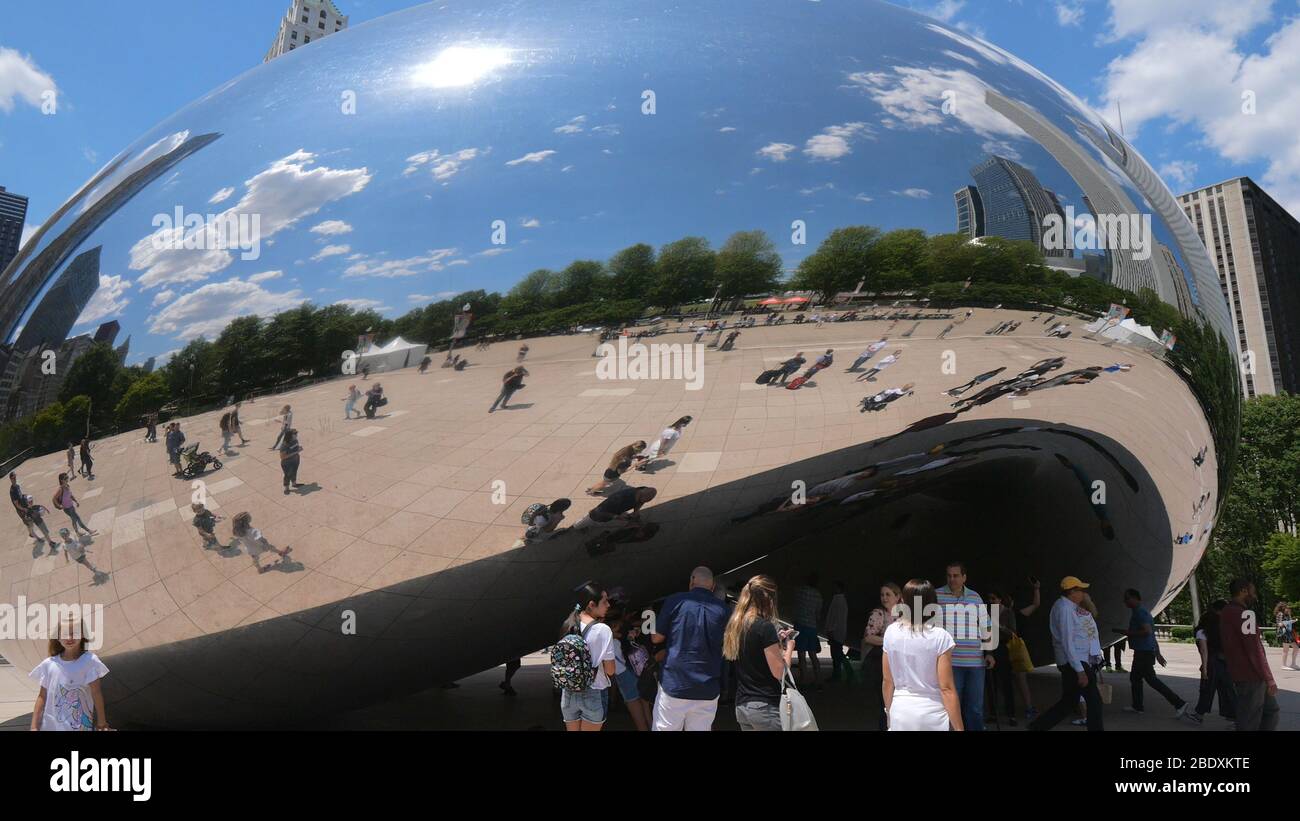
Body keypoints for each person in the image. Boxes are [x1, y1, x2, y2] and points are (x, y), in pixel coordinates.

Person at [650, 566, 730, 731]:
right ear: (713, 586)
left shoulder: (675, 601)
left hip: (675, 684)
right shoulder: (723, 609)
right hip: (707, 687)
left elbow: (656, 637)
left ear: (692, 581)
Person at [882, 578, 964, 731]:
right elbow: (946, 688)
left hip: (900, 712)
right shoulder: (940, 637)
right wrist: (959, 728)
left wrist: (889, 714)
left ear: (903, 601)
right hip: (932, 715)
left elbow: (887, 681)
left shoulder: (891, 632)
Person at [1028, 576, 1104, 731]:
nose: (1083, 593)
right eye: (1081, 590)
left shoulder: (1065, 606)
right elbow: (1067, 641)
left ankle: (1037, 727)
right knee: (1094, 700)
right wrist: (1080, 670)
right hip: (1075, 661)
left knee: (1069, 702)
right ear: (1072, 592)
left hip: (1073, 661)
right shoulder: (1065, 609)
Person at [723, 575, 795, 731]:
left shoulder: (736, 625)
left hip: (743, 705)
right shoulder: (765, 627)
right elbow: (780, 673)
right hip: (765, 706)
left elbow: (755, 652)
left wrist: (776, 643)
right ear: (768, 598)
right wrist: (789, 648)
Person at [1118, 588, 1197, 721]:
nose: (1125, 601)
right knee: (1135, 678)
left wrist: (1128, 633)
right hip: (1144, 651)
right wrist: (1158, 653)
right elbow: (1152, 635)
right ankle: (1137, 706)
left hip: (1144, 652)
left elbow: (1147, 632)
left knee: (1151, 679)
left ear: (1135, 598)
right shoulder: (1142, 612)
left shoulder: (1140, 613)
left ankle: (1179, 703)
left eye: (1127, 598)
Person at [29, 614, 111, 731]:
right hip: (51, 727)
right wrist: (34, 726)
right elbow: (42, 696)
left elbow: (96, 693)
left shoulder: (89, 661)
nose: (69, 637)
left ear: (82, 635)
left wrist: (102, 723)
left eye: (75, 633)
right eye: (64, 633)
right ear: (58, 637)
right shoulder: (48, 664)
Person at [936, 561, 991, 731]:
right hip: (949, 662)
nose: (952, 579)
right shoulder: (936, 596)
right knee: (951, 707)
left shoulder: (975, 597)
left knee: (974, 708)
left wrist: (989, 653)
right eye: (949, 576)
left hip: (975, 663)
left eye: (956, 576)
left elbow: (986, 626)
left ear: (964, 577)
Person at [1220, 578, 1278, 731]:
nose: (1255, 596)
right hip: (1252, 675)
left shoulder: (1227, 611)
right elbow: (1255, 649)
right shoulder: (1245, 614)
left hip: (1243, 673)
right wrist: (1269, 678)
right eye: (1253, 592)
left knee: (1270, 710)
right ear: (1243, 591)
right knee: (1250, 719)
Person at [557, 582, 615, 731]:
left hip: (568, 692)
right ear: (591, 605)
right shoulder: (603, 629)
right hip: (593, 690)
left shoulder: (567, 624)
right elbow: (610, 670)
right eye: (604, 601)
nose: (608, 605)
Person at [987, 581, 1041, 724]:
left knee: (1007, 683)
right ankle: (993, 713)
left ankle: (1011, 714)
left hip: (1005, 649)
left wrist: (999, 626)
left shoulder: (1009, 613)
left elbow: (1012, 633)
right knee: (991, 683)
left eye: (993, 599)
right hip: (991, 649)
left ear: (1000, 599)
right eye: (990, 599)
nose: (991, 601)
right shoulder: (988, 612)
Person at [862, 582, 902, 730]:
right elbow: (868, 637)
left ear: (898, 597)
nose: (884, 598)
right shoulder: (878, 614)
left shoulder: (905, 614)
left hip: (900, 663)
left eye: (888, 594)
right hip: (882, 663)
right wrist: (890, 640)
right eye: (882, 594)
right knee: (885, 702)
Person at [607, 606, 652, 731]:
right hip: (636, 672)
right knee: (646, 710)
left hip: (624, 677)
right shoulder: (625, 636)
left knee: (639, 719)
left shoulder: (610, 641)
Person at [1194, 599, 1236, 721]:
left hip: (1212, 662)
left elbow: (1204, 651)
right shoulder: (1226, 628)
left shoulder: (1202, 631)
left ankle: (1199, 714)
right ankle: (1234, 715)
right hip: (1225, 662)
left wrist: (1205, 668)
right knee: (1227, 690)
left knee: (1207, 689)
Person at [788, 574, 824, 689]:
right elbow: (818, 614)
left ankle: (803, 680)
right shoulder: (818, 595)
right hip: (812, 627)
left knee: (801, 654)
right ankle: (818, 679)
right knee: (813, 654)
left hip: (801, 625)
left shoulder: (800, 591)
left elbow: (794, 603)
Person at [571, 486, 657, 531]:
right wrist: (617, 517)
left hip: (615, 511)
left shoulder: (643, 489)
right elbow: (601, 511)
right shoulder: (619, 498)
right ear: (642, 495)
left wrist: (636, 511)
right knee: (587, 521)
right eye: (644, 500)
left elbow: (640, 502)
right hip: (598, 514)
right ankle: (576, 527)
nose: (642, 503)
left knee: (597, 522)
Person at [52, 474, 94, 538]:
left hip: (71, 506)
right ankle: (88, 530)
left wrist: (76, 501)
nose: (67, 479)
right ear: (61, 480)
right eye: (65, 478)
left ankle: (77, 533)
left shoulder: (67, 486)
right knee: (78, 519)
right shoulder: (60, 489)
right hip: (67, 509)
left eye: (67, 477)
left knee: (74, 520)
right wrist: (59, 506)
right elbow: (54, 498)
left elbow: (70, 495)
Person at [825, 581, 849, 682]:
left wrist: (830, 629)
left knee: (836, 654)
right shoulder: (843, 601)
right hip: (839, 631)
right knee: (838, 653)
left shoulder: (837, 600)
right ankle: (841, 673)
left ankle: (838, 675)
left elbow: (834, 617)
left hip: (835, 631)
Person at [10, 471, 39, 541]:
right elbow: (16, 504)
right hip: (21, 510)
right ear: (10, 479)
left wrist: (24, 495)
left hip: (24, 505)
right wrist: (23, 509)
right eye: (13, 478)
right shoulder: (12, 491)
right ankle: (34, 535)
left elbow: (20, 495)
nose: (15, 479)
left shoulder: (17, 486)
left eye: (15, 477)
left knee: (29, 521)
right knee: (29, 522)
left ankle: (31, 533)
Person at [279, 429, 303, 495]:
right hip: (287, 463)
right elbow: (282, 457)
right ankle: (286, 488)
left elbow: (296, 448)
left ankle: (294, 483)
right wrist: (296, 452)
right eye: (295, 434)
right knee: (287, 475)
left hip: (296, 460)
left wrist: (299, 448)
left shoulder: (295, 440)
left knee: (294, 472)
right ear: (290, 436)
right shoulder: (284, 445)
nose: (296, 435)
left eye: (296, 434)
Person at [1274, 602, 1296, 670]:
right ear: (1283, 608)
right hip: (1284, 633)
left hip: (1289, 633)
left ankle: (1293, 664)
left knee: (1296, 648)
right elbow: (1280, 624)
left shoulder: (1287, 614)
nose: (1289, 609)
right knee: (1285, 650)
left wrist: (1291, 620)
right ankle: (1283, 665)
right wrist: (1289, 622)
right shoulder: (1280, 614)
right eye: (1288, 608)